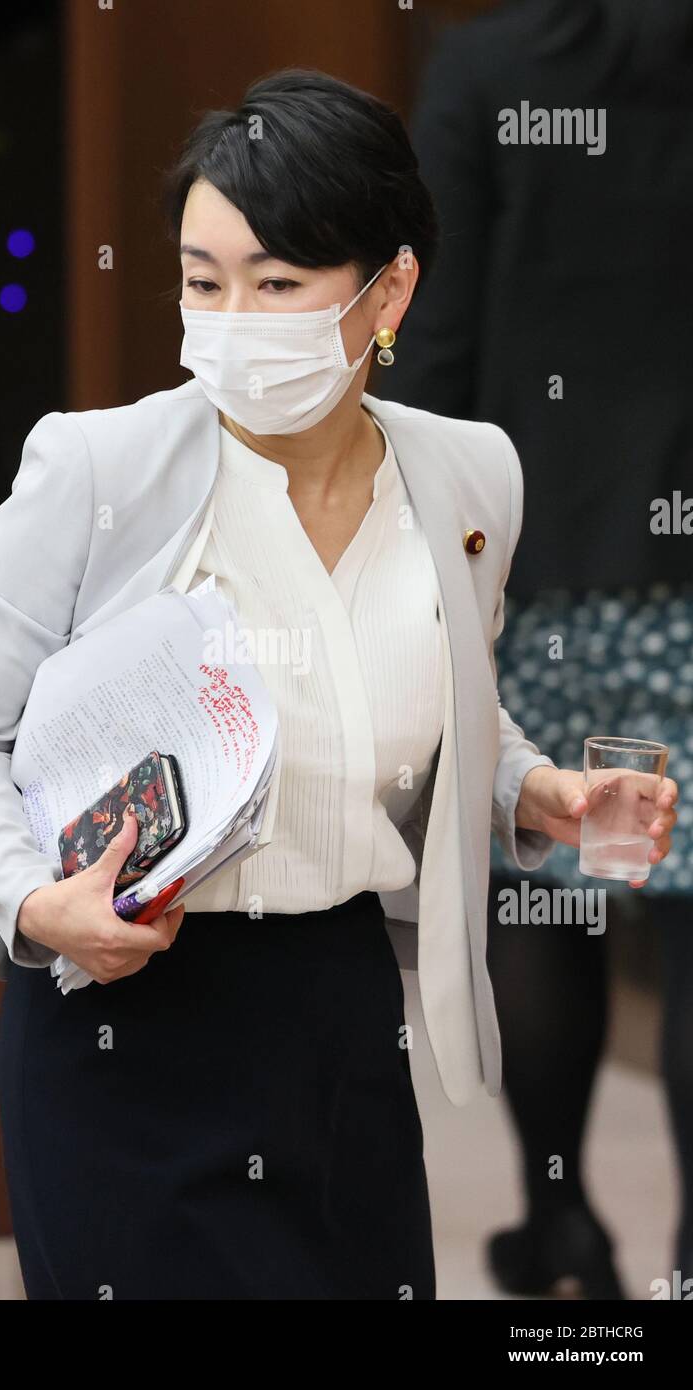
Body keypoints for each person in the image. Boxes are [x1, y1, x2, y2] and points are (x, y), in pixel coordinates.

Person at [0, 69, 678, 1301]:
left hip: (334, 1014)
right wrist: (31, 905)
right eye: (202, 280)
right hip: (126, 1018)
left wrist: (534, 791)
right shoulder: (94, 468)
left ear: (390, 289)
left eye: (274, 284)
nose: (229, 318)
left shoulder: (468, 475)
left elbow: (438, 692)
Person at [372, 0, 693, 1297]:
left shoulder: (493, 70)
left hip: (537, 558)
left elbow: (430, 338)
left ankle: (562, 1221)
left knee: (546, 892)